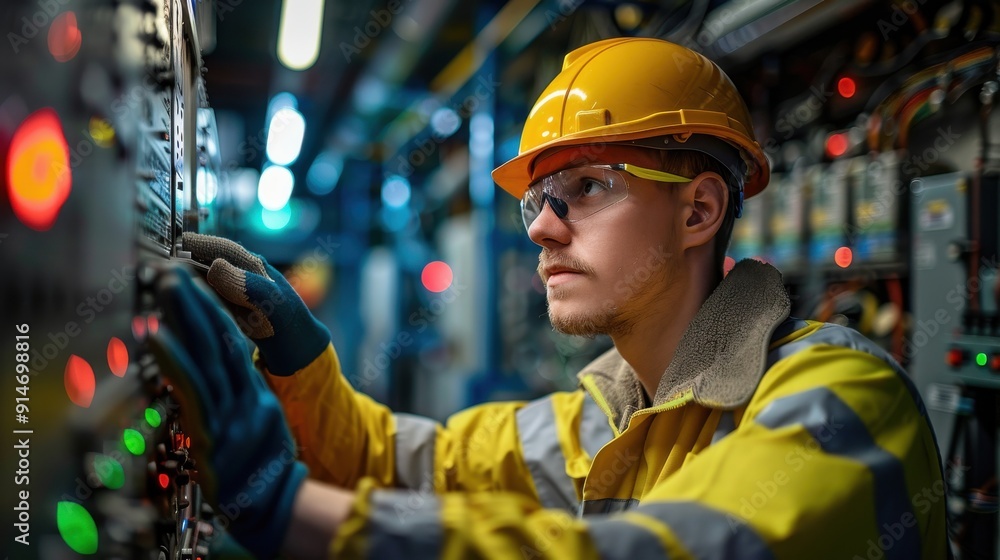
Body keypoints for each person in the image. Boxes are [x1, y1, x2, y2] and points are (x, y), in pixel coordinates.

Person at [150, 37, 949, 559]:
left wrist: (292, 514)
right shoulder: (603, 419)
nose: (543, 231)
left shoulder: (841, 401)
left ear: (699, 210)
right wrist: (299, 359)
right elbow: (398, 464)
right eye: (538, 200)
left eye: (588, 188)